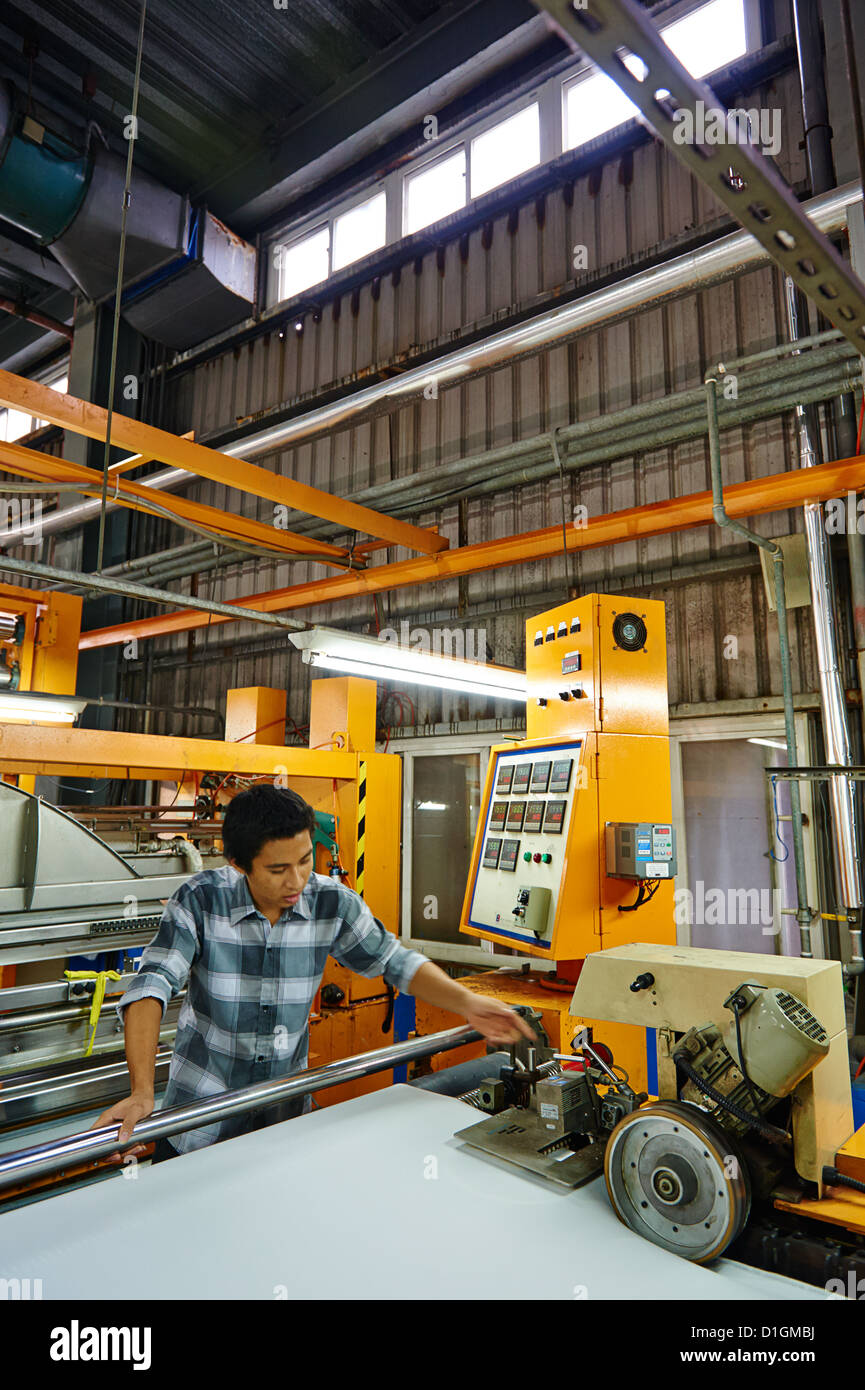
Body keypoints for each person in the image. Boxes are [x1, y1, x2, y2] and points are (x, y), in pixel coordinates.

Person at [92, 783, 535, 1163]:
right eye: (278, 869)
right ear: (239, 864)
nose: (297, 881)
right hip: (199, 1119)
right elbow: (151, 985)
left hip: (284, 1119)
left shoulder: (331, 902)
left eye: (305, 860)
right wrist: (142, 1092)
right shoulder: (200, 900)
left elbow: (395, 962)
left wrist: (469, 1003)